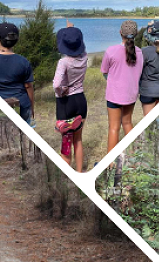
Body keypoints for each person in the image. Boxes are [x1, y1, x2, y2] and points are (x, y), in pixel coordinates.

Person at [101, 21, 143, 154]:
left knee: (114, 128)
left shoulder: (111, 51)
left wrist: (113, 81)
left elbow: (104, 72)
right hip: (131, 95)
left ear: (120, 33)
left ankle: (110, 164)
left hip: (114, 95)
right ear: (136, 34)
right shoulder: (140, 52)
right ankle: (134, 160)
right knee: (127, 123)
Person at [54, 21, 88, 172]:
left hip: (66, 103)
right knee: (78, 140)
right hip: (81, 101)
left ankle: (66, 176)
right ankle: (79, 172)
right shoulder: (85, 57)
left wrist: (62, 91)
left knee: (66, 142)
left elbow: (56, 84)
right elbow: (77, 43)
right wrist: (71, 31)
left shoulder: (63, 62)